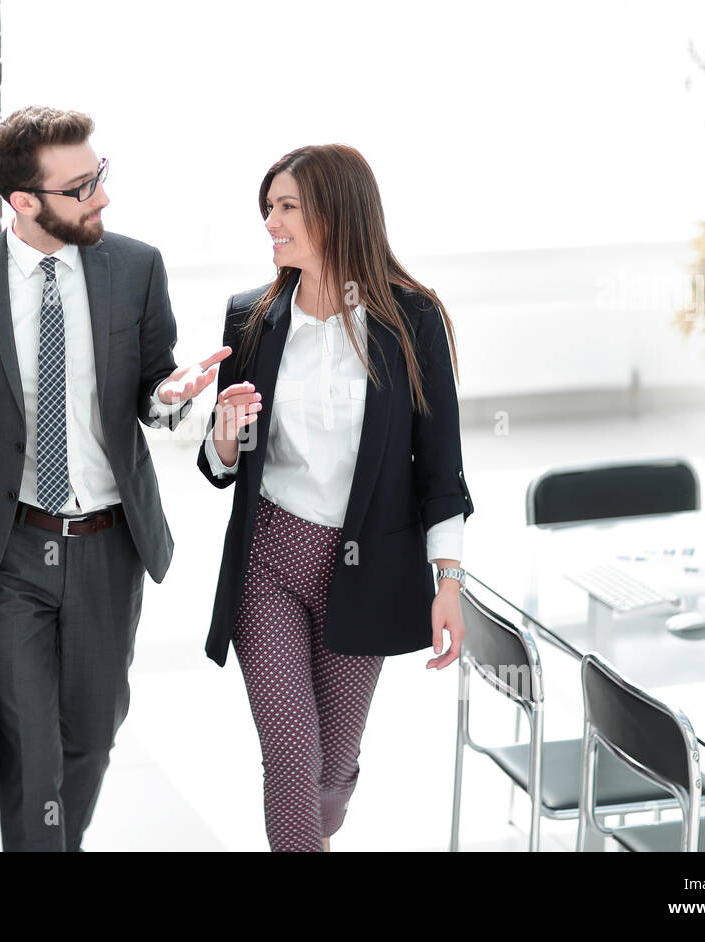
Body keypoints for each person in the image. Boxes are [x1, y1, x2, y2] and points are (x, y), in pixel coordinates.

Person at [0, 106, 227, 852]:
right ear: (24, 202)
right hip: (10, 550)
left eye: (101, 176)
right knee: (28, 751)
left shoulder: (135, 267)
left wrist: (172, 397)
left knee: (91, 736)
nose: (102, 197)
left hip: (107, 545)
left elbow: (153, 391)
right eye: (82, 186)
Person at [198, 144, 475, 852]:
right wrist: (225, 436)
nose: (271, 223)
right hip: (269, 558)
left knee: (330, 772)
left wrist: (449, 581)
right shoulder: (251, 317)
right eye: (268, 207)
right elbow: (221, 461)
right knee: (291, 763)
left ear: (335, 213)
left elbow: (441, 466)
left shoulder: (411, 320)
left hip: (369, 567)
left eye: (287, 207)